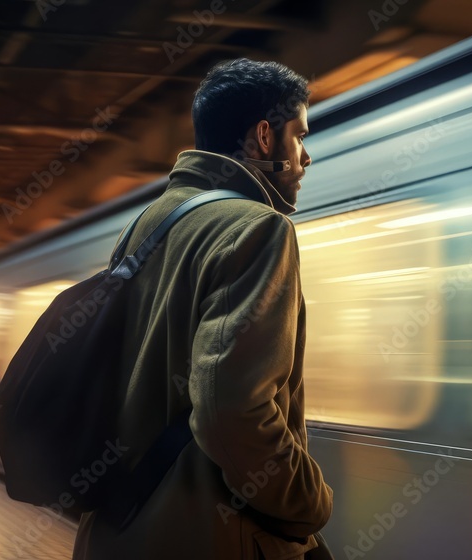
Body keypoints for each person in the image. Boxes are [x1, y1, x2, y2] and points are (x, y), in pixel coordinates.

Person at [73, 59, 333, 559]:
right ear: (264, 137)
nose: (306, 156)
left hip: (117, 528)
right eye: (299, 136)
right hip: (208, 535)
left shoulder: (147, 225)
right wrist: (309, 503)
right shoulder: (260, 229)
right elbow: (230, 410)